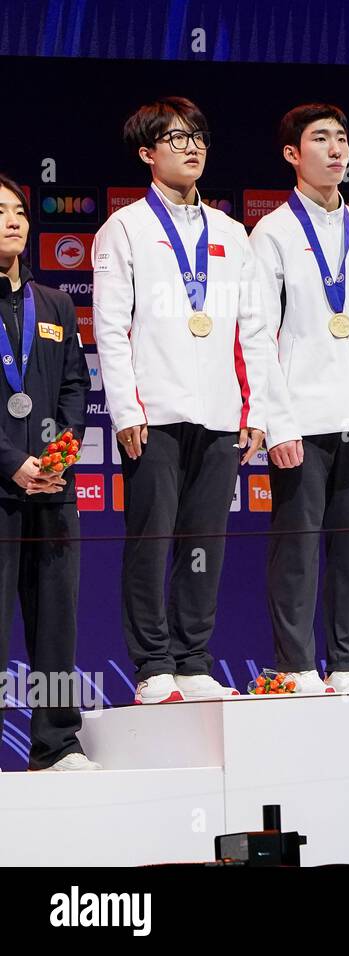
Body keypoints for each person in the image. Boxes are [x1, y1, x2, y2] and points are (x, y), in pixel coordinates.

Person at [93, 97, 276, 704]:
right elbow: (111, 329)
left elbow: (253, 328)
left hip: (219, 412)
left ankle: (194, 659)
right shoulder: (124, 229)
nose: (191, 146)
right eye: (175, 138)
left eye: (197, 134)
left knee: (204, 541)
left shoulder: (230, 232)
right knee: (153, 541)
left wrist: (257, 412)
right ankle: (152, 666)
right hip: (156, 413)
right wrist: (127, 410)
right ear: (148, 154)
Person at [252, 104, 349, 695]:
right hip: (304, 420)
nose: (335, 150)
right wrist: (278, 423)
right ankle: (295, 665)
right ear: (293, 154)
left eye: (342, 139)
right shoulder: (271, 233)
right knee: (297, 550)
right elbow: (258, 333)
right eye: (320, 139)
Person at [0, 173, 97, 769]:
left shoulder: (55, 303)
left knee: (55, 625)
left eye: (17, 210)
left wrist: (59, 458)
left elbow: (74, 386)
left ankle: (56, 742)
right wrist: (12, 462)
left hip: (51, 491)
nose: (12, 219)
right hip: (1, 487)